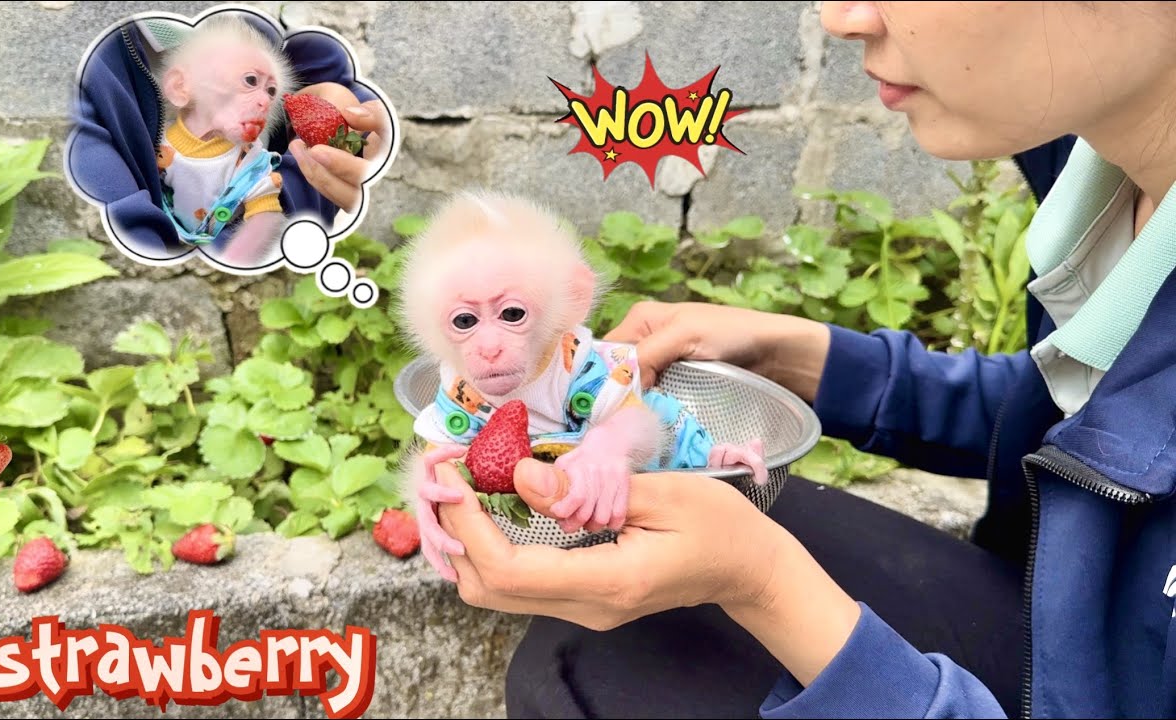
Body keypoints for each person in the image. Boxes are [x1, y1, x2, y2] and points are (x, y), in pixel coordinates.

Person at [425, 2, 1176, 718]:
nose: (839, 16)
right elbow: (1083, 420)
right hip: (1064, 615)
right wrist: (803, 355)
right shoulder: (1115, 172)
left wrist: (765, 585)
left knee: (605, 670)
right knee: (602, 638)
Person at [65, 7, 391, 267]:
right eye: (251, 81)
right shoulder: (106, 74)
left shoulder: (251, 162)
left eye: (272, 91)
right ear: (180, 87)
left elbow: (268, 213)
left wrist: (336, 108)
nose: (266, 100)